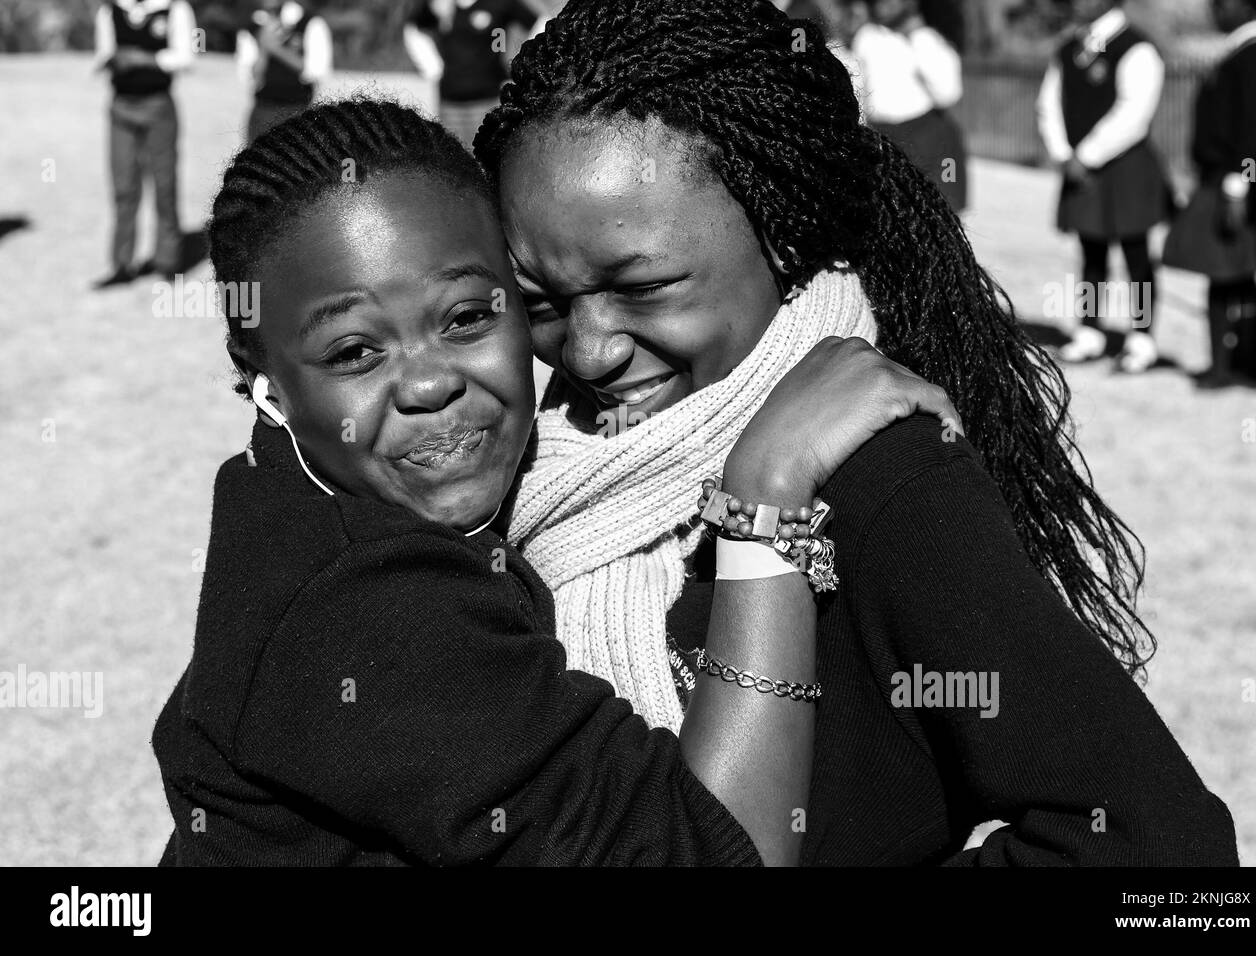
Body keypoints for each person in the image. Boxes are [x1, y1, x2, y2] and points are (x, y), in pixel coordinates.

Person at [474, 0, 1238, 865]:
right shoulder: (534, 468)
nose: (588, 350)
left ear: (785, 231)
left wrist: (759, 513)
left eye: (644, 288)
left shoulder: (883, 479)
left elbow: (1165, 849)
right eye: (540, 300)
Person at [151, 97, 958, 866]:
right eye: (355, 352)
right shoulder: (363, 608)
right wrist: (766, 498)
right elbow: (718, 854)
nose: (429, 384)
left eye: (466, 316)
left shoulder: (311, 507)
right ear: (264, 385)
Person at [1163, 0, 1256, 389]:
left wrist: (1240, 184)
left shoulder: (1255, 58)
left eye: (1223, 3)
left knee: (1229, 276)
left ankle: (1231, 365)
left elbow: (1252, 130)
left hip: (1236, 183)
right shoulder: (1239, 53)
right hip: (1227, 179)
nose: (1215, 10)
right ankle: (1235, 361)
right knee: (1232, 277)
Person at [1036, 0, 1172, 373]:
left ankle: (1141, 338)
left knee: (1136, 254)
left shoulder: (1137, 48)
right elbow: (1048, 102)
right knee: (1091, 250)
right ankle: (1090, 332)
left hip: (1123, 164)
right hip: (1079, 165)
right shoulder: (1068, 49)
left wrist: (1089, 154)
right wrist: (1062, 153)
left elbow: (1135, 112)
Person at [91, 0, 195, 288]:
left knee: (164, 185)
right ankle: (122, 264)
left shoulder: (174, 8)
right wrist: (111, 61)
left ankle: (168, 261)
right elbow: (104, 52)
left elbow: (186, 58)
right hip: (121, 105)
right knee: (124, 187)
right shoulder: (110, 10)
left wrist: (143, 59)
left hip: (158, 105)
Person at [853, 0, 968, 211]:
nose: (882, 6)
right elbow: (859, 90)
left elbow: (949, 93)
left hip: (928, 139)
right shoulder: (867, 37)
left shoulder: (928, 38)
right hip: (883, 138)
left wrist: (918, 38)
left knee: (940, 213)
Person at [403, 0, 536, 145]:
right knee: (453, 158)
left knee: (488, 157)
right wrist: (432, 67)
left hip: (488, 100)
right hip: (450, 103)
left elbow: (537, 22)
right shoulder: (440, 4)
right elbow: (414, 29)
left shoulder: (499, 4)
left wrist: (522, 64)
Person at [235, 0, 333, 143]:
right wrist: (264, 47)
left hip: (298, 110)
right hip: (263, 110)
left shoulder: (310, 23)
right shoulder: (251, 26)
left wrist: (276, 49)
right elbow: (252, 78)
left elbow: (316, 71)